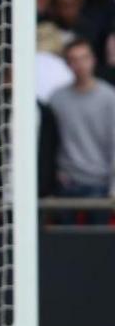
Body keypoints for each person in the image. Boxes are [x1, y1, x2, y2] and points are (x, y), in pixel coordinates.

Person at [48, 38, 115, 224]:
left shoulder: (109, 98)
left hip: (99, 183)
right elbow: (50, 143)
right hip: (67, 183)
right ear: (68, 64)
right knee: (64, 245)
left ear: (93, 60)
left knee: (97, 246)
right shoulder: (57, 98)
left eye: (84, 58)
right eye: (74, 59)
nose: (80, 64)